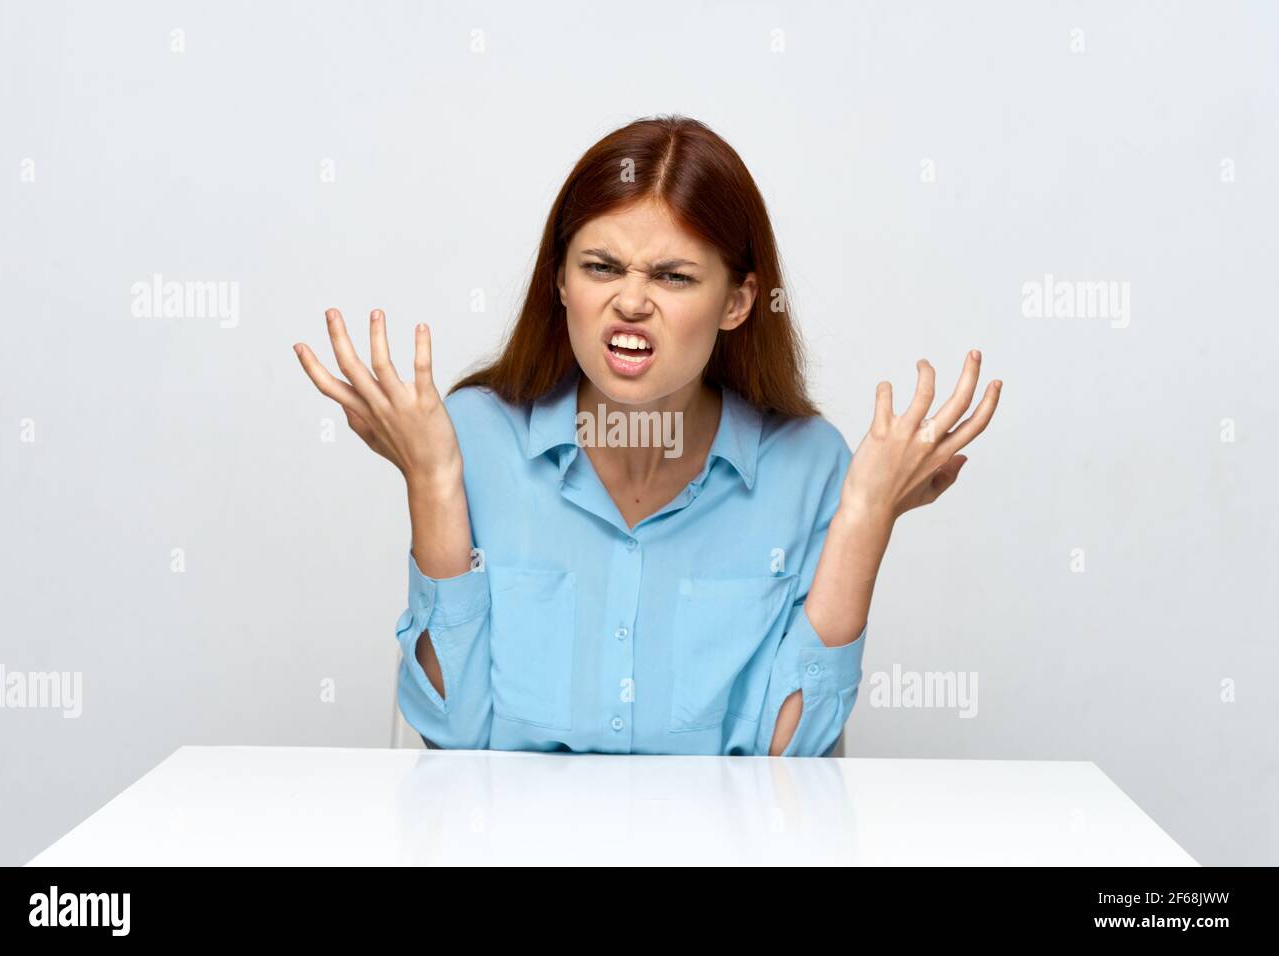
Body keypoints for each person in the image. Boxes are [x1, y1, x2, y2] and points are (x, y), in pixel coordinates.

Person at [294, 115, 1002, 757]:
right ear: (561, 283)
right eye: (600, 267)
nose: (630, 302)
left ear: (736, 302)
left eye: (673, 276)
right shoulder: (473, 438)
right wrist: (433, 480)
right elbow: (452, 734)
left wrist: (865, 515)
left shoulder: (806, 465)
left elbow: (787, 761)